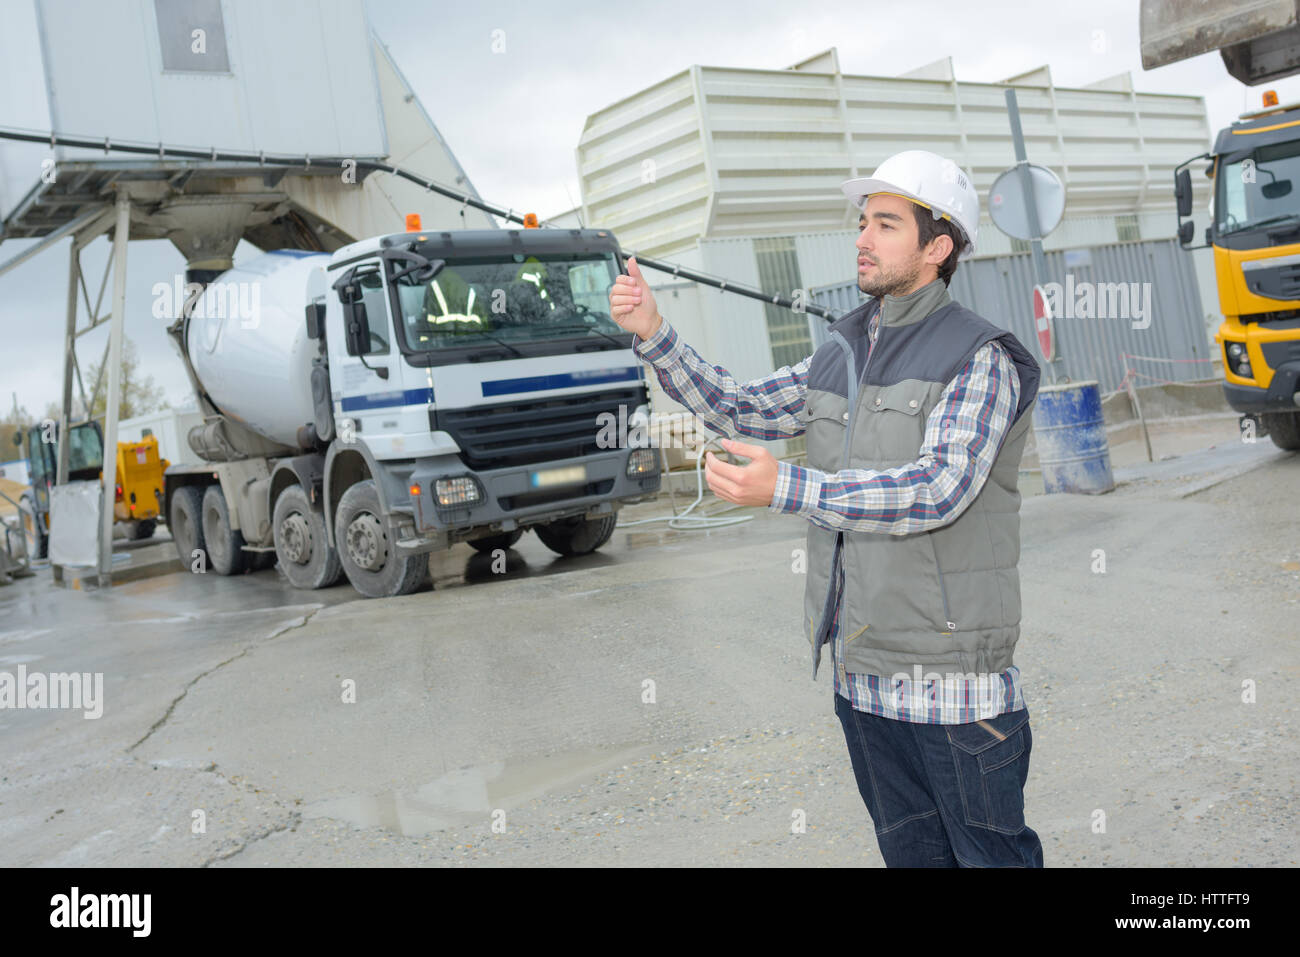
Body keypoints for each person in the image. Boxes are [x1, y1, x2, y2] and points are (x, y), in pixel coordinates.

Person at [608, 149, 1045, 867]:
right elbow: (741, 408)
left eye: (886, 223)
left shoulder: (978, 358)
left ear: (938, 247)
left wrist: (789, 486)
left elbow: (936, 488)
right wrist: (657, 335)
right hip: (864, 686)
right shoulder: (840, 351)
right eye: (862, 221)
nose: (862, 238)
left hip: (956, 696)